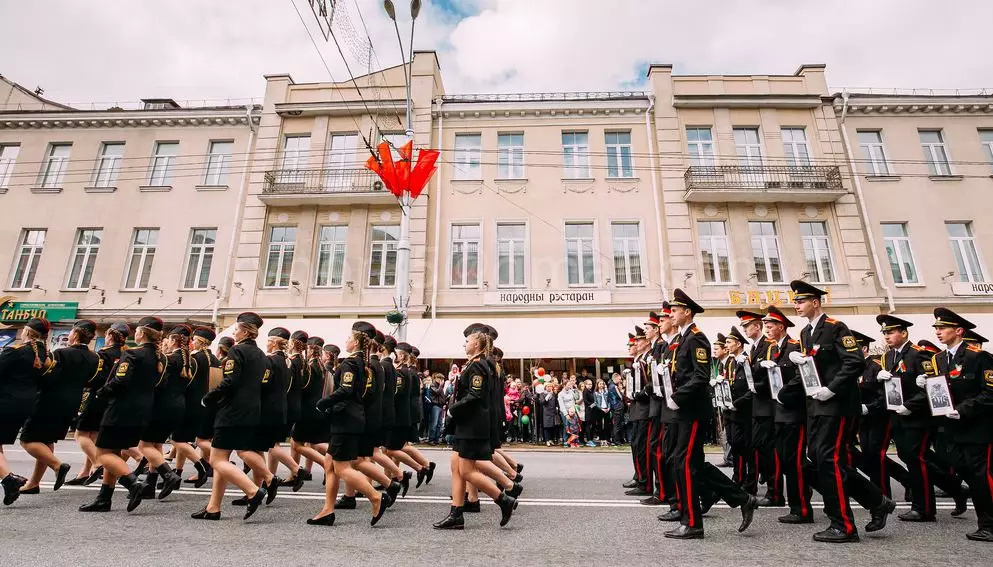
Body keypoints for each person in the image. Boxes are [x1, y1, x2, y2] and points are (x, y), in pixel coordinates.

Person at [790, 280, 894, 543]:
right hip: (816, 404)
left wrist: (832, 389)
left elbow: (854, 361)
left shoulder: (836, 328)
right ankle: (876, 500)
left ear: (816, 302)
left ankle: (844, 525)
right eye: (795, 301)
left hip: (837, 404)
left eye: (801, 301)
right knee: (817, 456)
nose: (796, 305)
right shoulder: (805, 333)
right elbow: (815, 368)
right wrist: (801, 363)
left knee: (828, 459)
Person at [662, 289, 757, 540]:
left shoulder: (696, 338)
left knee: (683, 462)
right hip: (683, 411)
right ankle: (743, 498)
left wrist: (677, 397)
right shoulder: (682, 339)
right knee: (692, 464)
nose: (671, 313)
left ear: (687, 312)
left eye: (675, 309)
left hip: (692, 411)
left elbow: (700, 377)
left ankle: (692, 523)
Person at [874, 315, 965, 521]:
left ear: (904, 333)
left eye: (891, 332)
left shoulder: (918, 355)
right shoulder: (887, 357)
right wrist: (880, 381)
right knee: (909, 457)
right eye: (885, 333)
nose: (887, 336)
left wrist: (910, 405)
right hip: (897, 415)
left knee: (916, 459)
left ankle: (923, 508)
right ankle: (955, 488)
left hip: (917, 417)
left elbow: (932, 386)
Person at [433, 329, 517, 529]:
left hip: (472, 424)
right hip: (467, 424)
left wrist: (453, 409)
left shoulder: (477, 366)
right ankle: (457, 512)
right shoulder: (474, 364)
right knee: (458, 467)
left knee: (467, 471)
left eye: (468, 341)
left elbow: (475, 395)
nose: (465, 344)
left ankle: (504, 499)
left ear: (477, 345)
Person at [79, 317, 165, 513]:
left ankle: (135, 484)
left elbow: (120, 382)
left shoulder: (133, 354)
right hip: (141, 410)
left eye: (137, 330)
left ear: (141, 334)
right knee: (115, 452)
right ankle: (104, 498)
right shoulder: (158, 357)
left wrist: (101, 392)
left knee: (103, 453)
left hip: (121, 410)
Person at [310, 322, 391, 526]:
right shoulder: (361, 364)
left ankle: (376, 497)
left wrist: (323, 403)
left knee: (342, 468)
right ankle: (327, 510)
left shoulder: (350, 364)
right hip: (350, 418)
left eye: (348, 338)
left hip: (346, 420)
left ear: (355, 342)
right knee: (330, 464)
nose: (345, 341)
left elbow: (346, 390)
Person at [191, 312, 270, 521]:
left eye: (236, 328)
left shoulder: (237, 350)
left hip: (232, 411)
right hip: (251, 411)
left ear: (245, 331)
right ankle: (213, 507)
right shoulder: (261, 354)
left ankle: (253, 491)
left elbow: (230, 382)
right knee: (222, 459)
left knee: (217, 459)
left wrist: (208, 398)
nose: (234, 332)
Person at [930, 308, 993, 541]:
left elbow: (990, 393)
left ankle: (989, 524)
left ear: (958, 331)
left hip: (978, 427)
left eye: (943, 328)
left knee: (980, 475)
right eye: (936, 328)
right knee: (965, 471)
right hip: (952, 427)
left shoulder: (977, 357)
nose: (938, 332)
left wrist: (963, 409)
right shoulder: (939, 359)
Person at [15, 319, 98, 496]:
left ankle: (58, 466)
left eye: (70, 332)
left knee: (27, 440)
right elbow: (90, 380)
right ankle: (34, 483)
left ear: (75, 334)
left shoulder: (61, 353)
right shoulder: (94, 357)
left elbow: (47, 376)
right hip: (73, 402)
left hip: (50, 400)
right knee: (46, 441)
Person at [757, 306, 811, 524]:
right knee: (787, 462)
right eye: (766, 326)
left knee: (797, 462)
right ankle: (796, 505)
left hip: (794, 412)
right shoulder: (773, 350)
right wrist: (761, 366)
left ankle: (803, 509)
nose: (767, 329)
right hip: (779, 414)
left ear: (781, 327)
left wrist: (784, 393)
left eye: (770, 326)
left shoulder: (794, 347)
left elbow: (803, 377)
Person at [66, 322, 130, 486]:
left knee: (80, 434)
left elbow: (97, 375)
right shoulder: (126, 353)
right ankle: (85, 472)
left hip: (99, 396)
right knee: (93, 436)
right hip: (114, 399)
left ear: (109, 336)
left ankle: (99, 463)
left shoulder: (103, 353)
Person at [139, 325, 190, 501]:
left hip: (162, 406)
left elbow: (158, 384)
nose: (165, 342)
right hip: (178, 405)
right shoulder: (187, 360)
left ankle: (168, 475)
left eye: (167, 339)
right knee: (156, 444)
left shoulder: (168, 359)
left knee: (144, 445)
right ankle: (150, 484)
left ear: (173, 341)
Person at [182, 327, 221, 487]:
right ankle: (203, 471)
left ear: (198, 340)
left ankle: (219, 459)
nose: (192, 342)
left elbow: (187, 382)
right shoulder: (216, 360)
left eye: (194, 339)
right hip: (212, 402)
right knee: (204, 437)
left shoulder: (194, 358)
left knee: (198, 440)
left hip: (196, 402)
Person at [724, 326, 756, 495]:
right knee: (735, 445)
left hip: (745, 410)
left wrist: (738, 403)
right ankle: (738, 477)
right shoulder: (731, 361)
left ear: (738, 344)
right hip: (732, 410)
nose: (726, 345)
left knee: (747, 447)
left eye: (729, 342)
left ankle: (750, 481)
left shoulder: (746, 360)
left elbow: (751, 388)